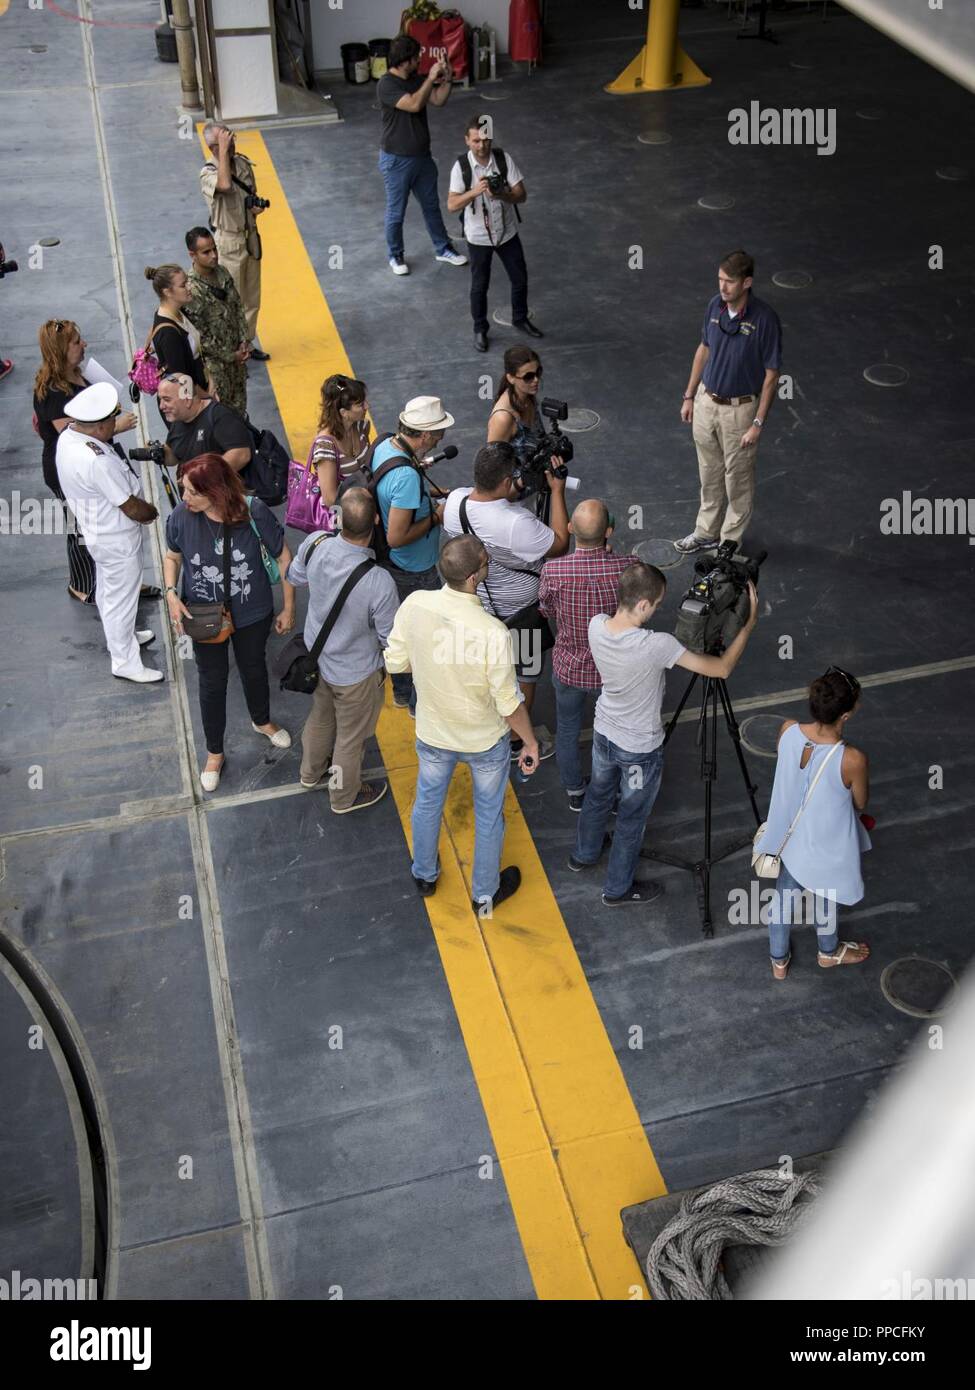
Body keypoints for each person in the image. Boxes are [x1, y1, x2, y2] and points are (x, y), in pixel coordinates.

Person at [572, 563, 758, 906]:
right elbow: (721, 668)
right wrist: (747, 626)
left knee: (597, 796)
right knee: (631, 819)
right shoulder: (657, 645)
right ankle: (616, 889)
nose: (658, 609)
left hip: (603, 733)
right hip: (639, 749)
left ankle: (583, 855)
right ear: (643, 604)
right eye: (656, 603)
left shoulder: (596, 625)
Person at [384, 534, 541, 912]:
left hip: (434, 732)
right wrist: (531, 742)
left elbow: (395, 663)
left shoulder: (415, 604)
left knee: (427, 802)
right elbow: (507, 704)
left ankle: (425, 874)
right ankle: (484, 895)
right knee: (489, 816)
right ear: (474, 578)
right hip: (485, 742)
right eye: (486, 561)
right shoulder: (493, 633)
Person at [163, 453, 295, 792]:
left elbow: (283, 556)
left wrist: (288, 607)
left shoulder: (252, 511)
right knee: (211, 681)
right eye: (183, 490)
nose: (185, 499)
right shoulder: (181, 516)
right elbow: (173, 555)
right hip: (205, 616)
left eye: (193, 492)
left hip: (253, 613)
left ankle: (261, 719)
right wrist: (170, 593)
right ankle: (214, 752)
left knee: (254, 667)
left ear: (218, 491)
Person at [442, 440, 566, 738]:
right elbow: (560, 544)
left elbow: (493, 502)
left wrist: (518, 483)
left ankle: (483, 724)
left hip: (477, 604)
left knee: (486, 671)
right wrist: (558, 492)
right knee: (523, 676)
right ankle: (515, 739)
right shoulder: (516, 523)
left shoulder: (455, 502)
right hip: (521, 612)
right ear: (507, 480)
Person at [754, 668, 871, 980]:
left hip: (790, 841)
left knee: (783, 901)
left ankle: (778, 961)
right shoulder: (852, 759)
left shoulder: (788, 730)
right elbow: (860, 802)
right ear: (846, 714)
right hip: (825, 846)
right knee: (825, 898)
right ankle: (828, 952)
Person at [287, 489, 399, 814]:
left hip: (316, 658)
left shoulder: (316, 542)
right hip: (355, 674)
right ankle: (343, 796)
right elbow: (390, 637)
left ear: (337, 517)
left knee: (321, 718)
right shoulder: (379, 581)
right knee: (349, 741)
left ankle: (310, 773)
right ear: (376, 521)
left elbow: (294, 577)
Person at [675, 249, 782, 555]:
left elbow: (772, 375)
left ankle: (730, 540)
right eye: (720, 280)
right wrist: (689, 396)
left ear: (747, 282)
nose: (723, 288)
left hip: (740, 410)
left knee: (738, 477)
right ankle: (706, 532)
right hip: (707, 402)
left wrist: (757, 423)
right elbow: (703, 349)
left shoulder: (764, 320)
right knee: (708, 471)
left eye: (730, 282)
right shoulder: (714, 306)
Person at [55, 383, 162, 684]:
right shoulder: (96, 460)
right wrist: (152, 513)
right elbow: (130, 506)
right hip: (117, 538)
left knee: (108, 593)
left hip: (97, 532)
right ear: (99, 426)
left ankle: (123, 638)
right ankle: (125, 662)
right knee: (121, 600)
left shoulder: (69, 438)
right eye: (112, 421)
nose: (116, 424)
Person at [538, 500, 639, 810]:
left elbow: (546, 610)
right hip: (614, 673)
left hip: (570, 668)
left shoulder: (553, 570)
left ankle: (575, 792)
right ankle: (615, 790)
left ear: (569, 528)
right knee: (615, 732)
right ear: (608, 531)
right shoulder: (628, 568)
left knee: (567, 728)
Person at [33, 318, 139, 604]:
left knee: (107, 521)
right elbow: (77, 433)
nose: (84, 345)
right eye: (76, 342)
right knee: (81, 528)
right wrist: (116, 425)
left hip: (98, 458)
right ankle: (82, 584)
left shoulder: (76, 375)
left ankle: (119, 578)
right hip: (68, 471)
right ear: (60, 350)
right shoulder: (54, 393)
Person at [372, 395, 453, 709]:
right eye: (439, 433)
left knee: (399, 630)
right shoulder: (405, 475)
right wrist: (437, 515)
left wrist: (435, 492)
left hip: (392, 565)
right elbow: (397, 536)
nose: (442, 439)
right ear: (426, 435)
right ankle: (420, 699)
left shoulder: (385, 447)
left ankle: (402, 689)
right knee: (424, 637)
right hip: (414, 568)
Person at [377, 34, 468, 276]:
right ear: (405, 60)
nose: (420, 60)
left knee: (431, 206)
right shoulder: (386, 84)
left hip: (422, 157)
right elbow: (414, 104)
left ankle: (443, 248)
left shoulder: (416, 79)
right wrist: (429, 78)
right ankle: (395, 255)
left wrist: (446, 78)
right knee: (396, 211)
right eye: (416, 57)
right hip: (396, 160)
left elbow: (437, 99)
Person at [447, 114, 538, 354]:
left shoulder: (503, 159)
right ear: (467, 140)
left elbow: (522, 195)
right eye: (476, 141)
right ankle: (480, 329)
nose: (481, 145)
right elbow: (452, 204)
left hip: (506, 231)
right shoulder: (462, 167)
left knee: (520, 278)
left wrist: (502, 195)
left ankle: (520, 318)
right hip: (477, 236)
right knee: (479, 285)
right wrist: (475, 191)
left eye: (485, 140)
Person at [200, 123, 268, 355]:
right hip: (228, 243)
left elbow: (251, 194)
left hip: (250, 238)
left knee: (251, 297)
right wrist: (223, 150)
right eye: (225, 140)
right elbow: (225, 185)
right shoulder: (209, 172)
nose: (232, 143)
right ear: (213, 147)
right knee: (232, 300)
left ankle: (247, 343)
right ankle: (231, 348)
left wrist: (255, 210)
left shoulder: (242, 163)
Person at [183, 227, 250, 419]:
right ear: (192, 255)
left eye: (214, 249)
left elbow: (237, 306)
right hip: (216, 366)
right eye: (206, 252)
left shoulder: (221, 273)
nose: (214, 256)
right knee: (222, 415)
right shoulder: (192, 290)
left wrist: (244, 340)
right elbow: (201, 337)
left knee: (240, 408)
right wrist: (231, 355)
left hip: (237, 359)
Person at [143, 265, 214, 409]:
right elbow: (181, 378)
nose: (189, 287)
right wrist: (206, 397)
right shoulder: (168, 334)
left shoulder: (178, 312)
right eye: (183, 285)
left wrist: (211, 382)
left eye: (188, 281)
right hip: (188, 403)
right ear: (167, 292)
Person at [157, 373, 253, 475]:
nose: (161, 406)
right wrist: (160, 453)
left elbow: (242, 454)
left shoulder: (219, 416)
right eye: (160, 399)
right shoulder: (179, 419)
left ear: (187, 400)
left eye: (167, 399)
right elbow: (174, 457)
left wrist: (202, 479)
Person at [307, 375, 371, 508]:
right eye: (360, 404)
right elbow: (330, 499)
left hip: (367, 506)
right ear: (343, 412)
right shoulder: (325, 446)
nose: (367, 406)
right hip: (344, 518)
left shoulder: (361, 426)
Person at [487, 345, 548, 464]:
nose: (536, 380)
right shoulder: (503, 418)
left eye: (538, 372)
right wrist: (519, 482)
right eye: (528, 376)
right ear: (511, 378)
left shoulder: (527, 396)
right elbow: (492, 467)